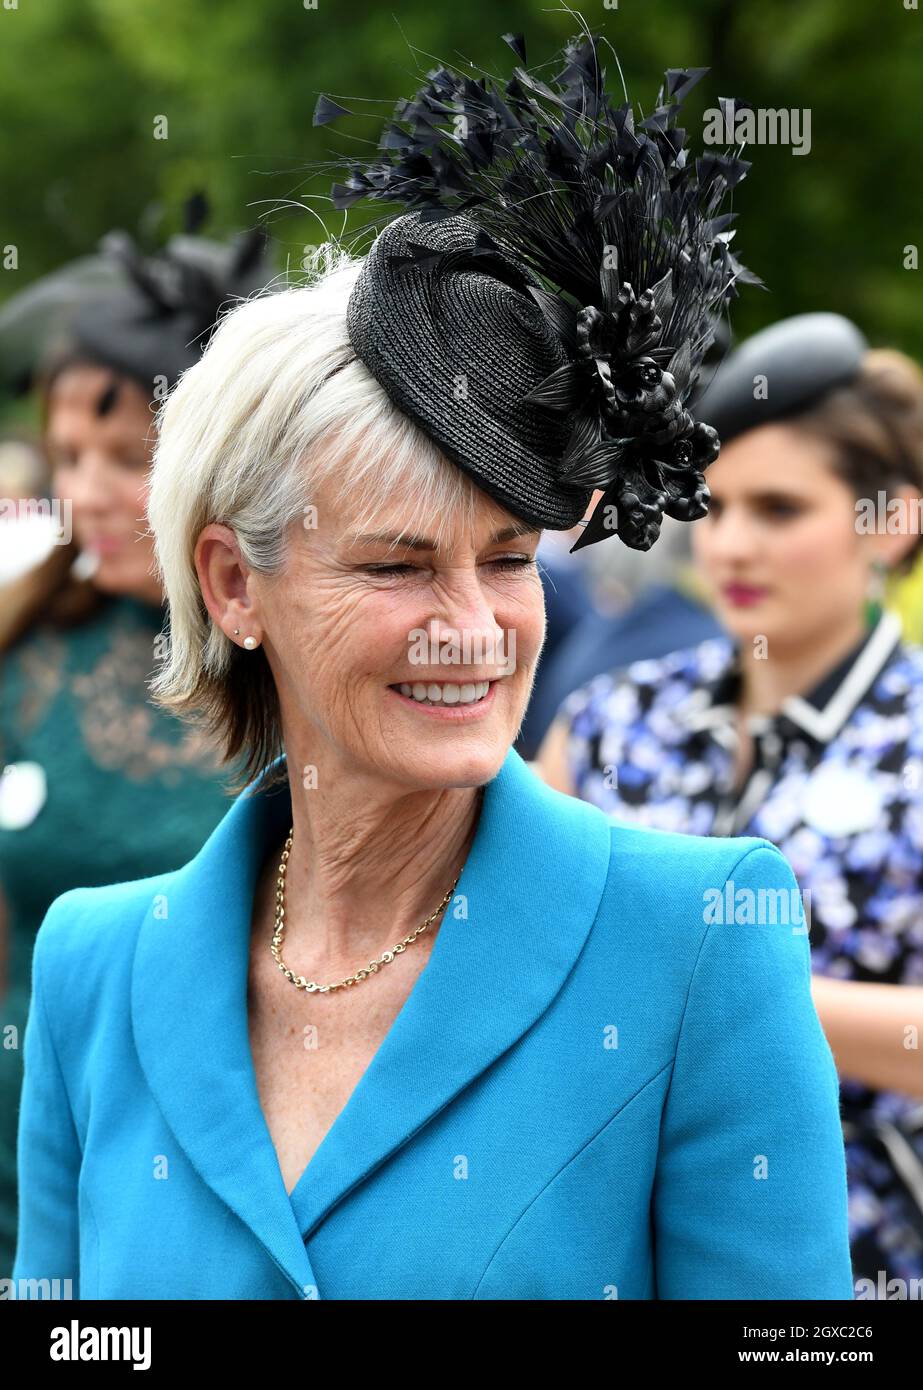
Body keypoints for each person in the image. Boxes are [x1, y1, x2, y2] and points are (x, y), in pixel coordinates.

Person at [11, 33, 853, 1300]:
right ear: (236, 584)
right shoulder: (95, 965)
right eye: (398, 567)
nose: (472, 625)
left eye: (506, 560)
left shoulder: (695, 942)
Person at [538, 312, 923, 1290]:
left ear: (893, 520)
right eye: (716, 506)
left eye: (780, 509)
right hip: (602, 1239)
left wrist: (726, 993)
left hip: (854, 1256)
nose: (732, 545)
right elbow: (505, 933)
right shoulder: (609, 719)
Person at [0, 210, 274, 1277]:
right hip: (26, 1131)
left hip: (225, 1138)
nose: (84, 494)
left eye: (126, 458)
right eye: (68, 455)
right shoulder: (25, 650)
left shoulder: (297, 666)